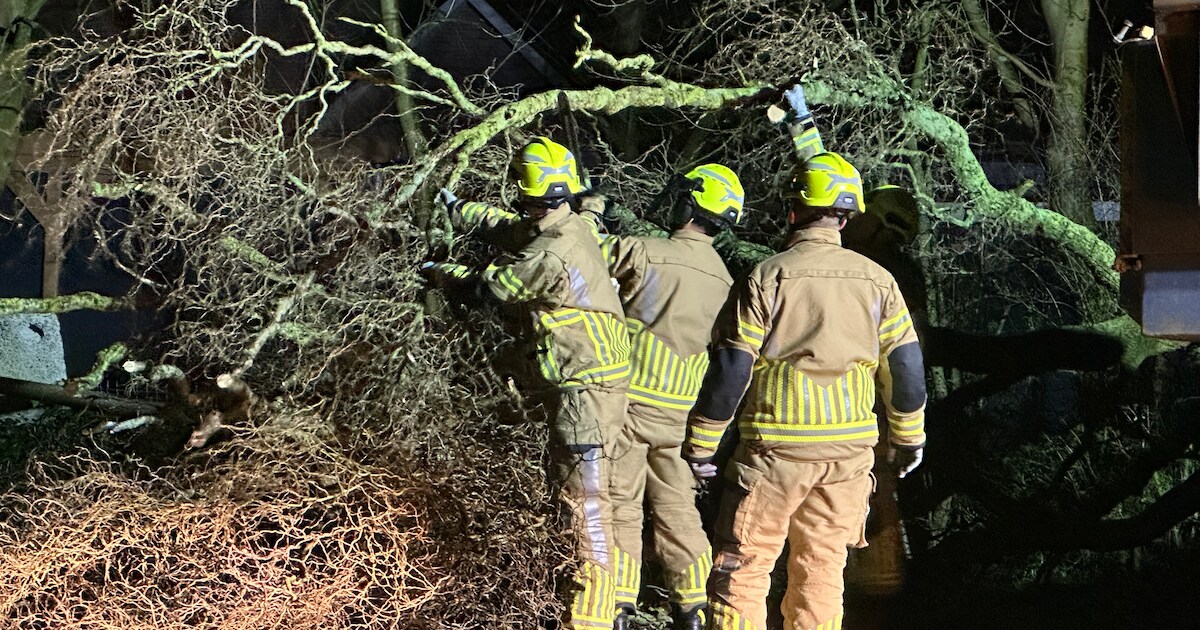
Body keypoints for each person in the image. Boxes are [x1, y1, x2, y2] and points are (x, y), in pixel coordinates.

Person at [681, 151, 928, 630]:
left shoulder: (768, 276)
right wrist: (909, 437)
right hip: (848, 456)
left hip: (775, 452)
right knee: (821, 572)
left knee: (744, 571)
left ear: (792, 208)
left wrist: (702, 446)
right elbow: (906, 369)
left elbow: (732, 368)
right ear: (849, 214)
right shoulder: (880, 282)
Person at [423, 137, 631, 630]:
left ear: (526, 190)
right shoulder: (568, 225)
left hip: (585, 392)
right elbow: (508, 227)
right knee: (597, 501)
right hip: (594, 384)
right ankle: (613, 606)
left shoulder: (551, 256)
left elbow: (490, 286)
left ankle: (592, 618)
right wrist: (460, 211)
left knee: (585, 507)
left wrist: (437, 272)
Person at [589, 165, 744, 630]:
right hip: (682, 417)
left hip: (628, 408)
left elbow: (573, 259)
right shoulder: (728, 283)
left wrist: (589, 213)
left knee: (621, 504)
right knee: (678, 507)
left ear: (688, 205)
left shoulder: (643, 251)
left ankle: (617, 604)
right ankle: (695, 604)